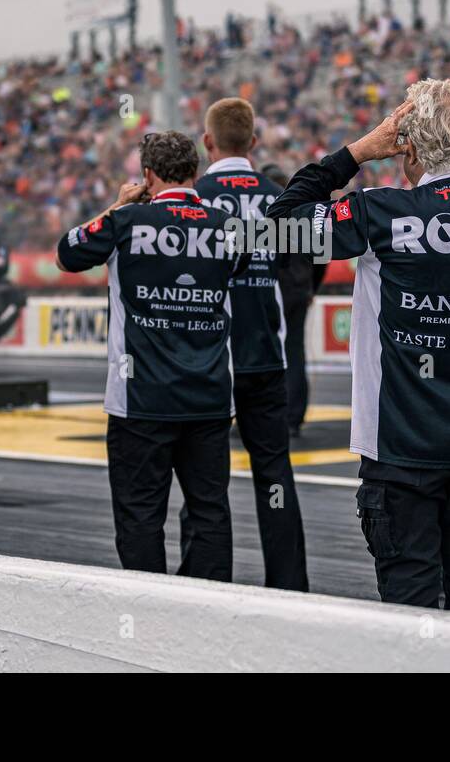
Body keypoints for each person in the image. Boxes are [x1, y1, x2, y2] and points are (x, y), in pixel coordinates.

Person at [268, 78, 450, 616]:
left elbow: (279, 227)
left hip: (401, 451)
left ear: (408, 145)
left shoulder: (379, 212)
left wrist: (359, 150)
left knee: (409, 611)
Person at [57, 131, 243, 582]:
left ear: (147, 175)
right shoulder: (231, 226)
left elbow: (68, 254)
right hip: (209, 396)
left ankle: (148, 608)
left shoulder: (125, 221)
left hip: (140, 399)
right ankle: (207, 603)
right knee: (210, 510)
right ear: (196, 174)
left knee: (141, 513)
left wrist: (118, 207)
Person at [196, 98, 308, 591]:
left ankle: (205, 580)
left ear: (207, 142)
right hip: (266, 349)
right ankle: (289, 583)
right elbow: (302, 263)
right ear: (254, 144)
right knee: (274, 473)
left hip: (207, 356)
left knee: (204, 480)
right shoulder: (276, 196)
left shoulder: (193, 197)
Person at [260, 162, 327, 439]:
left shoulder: (267, 212)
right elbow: (323, 255)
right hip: (299, 288)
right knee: (294, 351)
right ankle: (293, 418)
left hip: (274, 288)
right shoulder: (304, 212)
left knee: (268, 351)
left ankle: (267, 416)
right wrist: (312, 287)